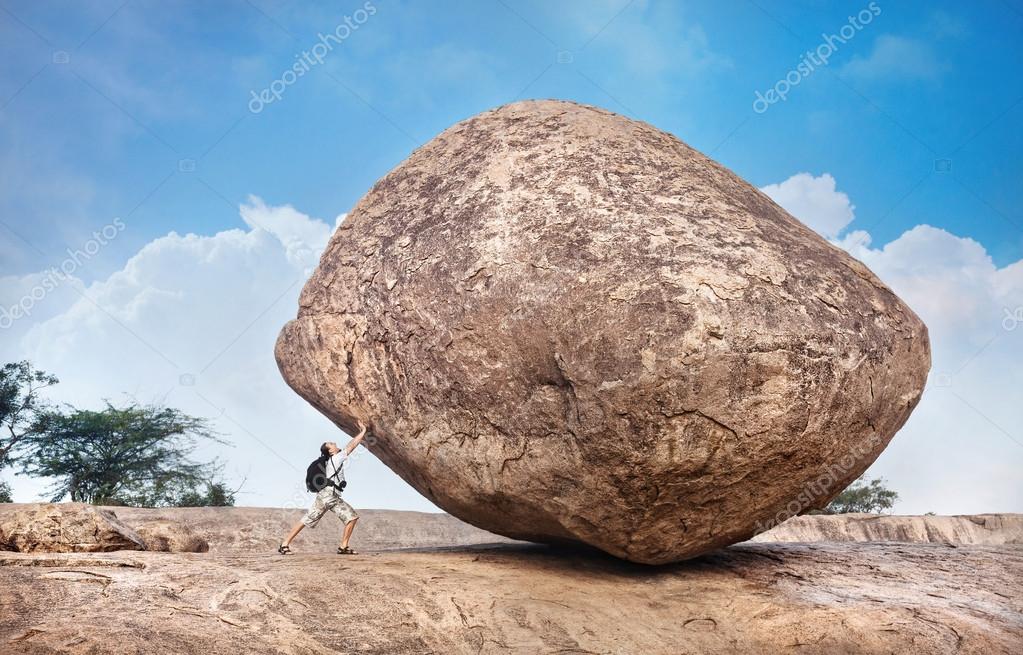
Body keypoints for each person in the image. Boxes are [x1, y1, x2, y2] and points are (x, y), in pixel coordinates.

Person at [278, 420, 368, 555]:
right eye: (331, 444)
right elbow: (351, 446)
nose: (333, 443)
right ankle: (342, 547)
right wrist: (363, 431)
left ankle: (285, 544)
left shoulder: (330, 461)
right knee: (350, 517)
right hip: (329, 496)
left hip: (328, 496)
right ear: (330, 451)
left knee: (310, 519)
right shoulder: (336, 458)